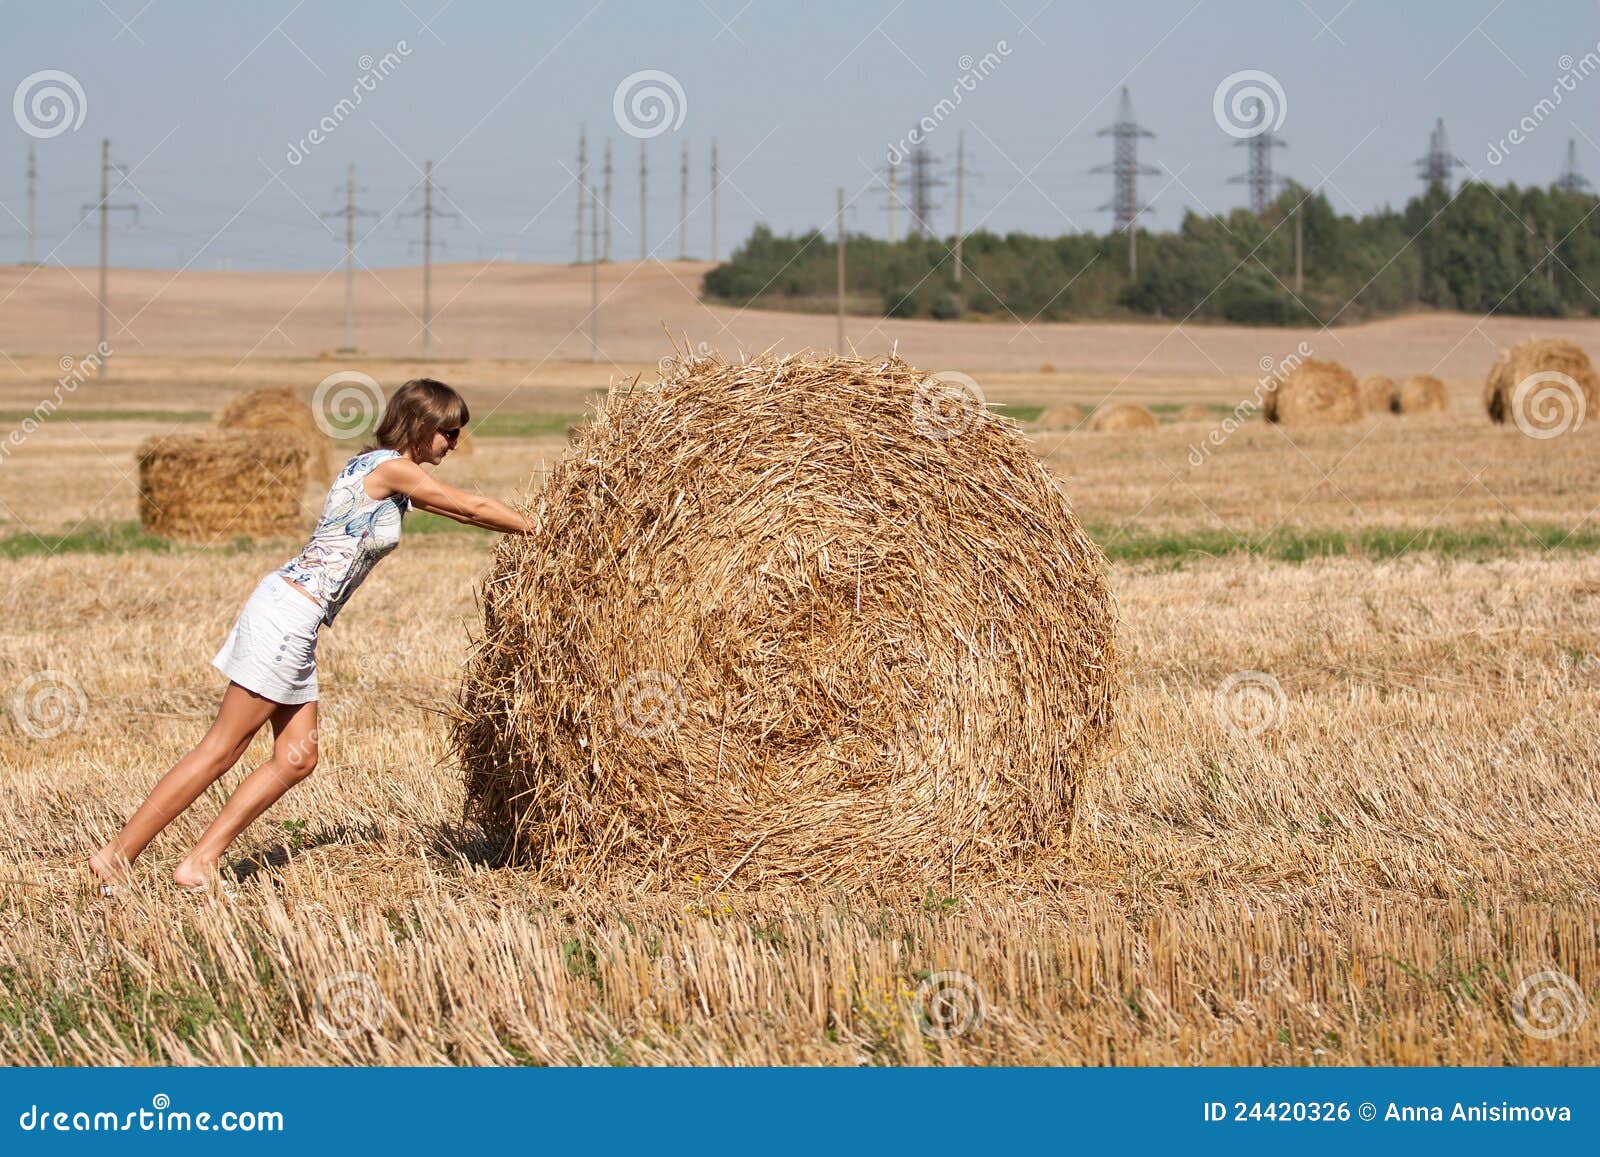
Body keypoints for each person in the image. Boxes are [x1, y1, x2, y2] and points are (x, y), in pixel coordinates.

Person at [87, 378, 531, 893]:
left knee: (297, 757)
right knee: (222, 749)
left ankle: (199, 862)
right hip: (287, 615)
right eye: (450, 433)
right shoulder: (390, 469)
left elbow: (458, 511)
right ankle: (118, 854)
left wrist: (519, 529)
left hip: (294, 616)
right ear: (423, 426)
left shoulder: (383, 472)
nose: (455, 444)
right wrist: (545, 530)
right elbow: (471, 505)